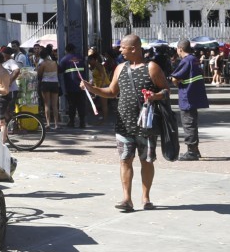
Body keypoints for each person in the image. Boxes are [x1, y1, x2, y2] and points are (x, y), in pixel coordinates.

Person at [83, 34, 169, 213]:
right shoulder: (120, 68)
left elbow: (166, 90)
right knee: (125, 160)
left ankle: (146, 198)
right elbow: (112, 92)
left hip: (146, 124)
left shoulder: (152, 68)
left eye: (123, 47)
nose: (119, 50)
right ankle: (127, 199)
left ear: (134, 49)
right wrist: (92, 89)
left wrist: (156, 96)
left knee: (146, 161)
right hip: (124, 123)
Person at [170, 39, 209, 160]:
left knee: (188, 124)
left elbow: (175, 78)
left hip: (187, 97)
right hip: (194, 96)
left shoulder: (186, 60)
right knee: (192, 123)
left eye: (177, 49)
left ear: (180, 49)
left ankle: (192, 152)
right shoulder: (194, 59)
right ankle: (194, 150)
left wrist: (176, 82)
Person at [58, 44, 89, 129]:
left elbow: (59, 70)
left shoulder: (64, 59)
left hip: (70, 86)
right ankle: (82, 122)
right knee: (81, 104)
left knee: (72, 105)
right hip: (82, 85)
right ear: (74, 49)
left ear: (66, 50)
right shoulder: (81, 58)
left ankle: (71, 122)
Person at [36, 47, 60, 130]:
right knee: (55, 105)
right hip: (55, 83)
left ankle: (48, 123)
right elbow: (57, 72)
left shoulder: (42, 64)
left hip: (45, 83)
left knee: (47, 104)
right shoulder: (54, 63)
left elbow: (39, 74)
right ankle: (57, 124)